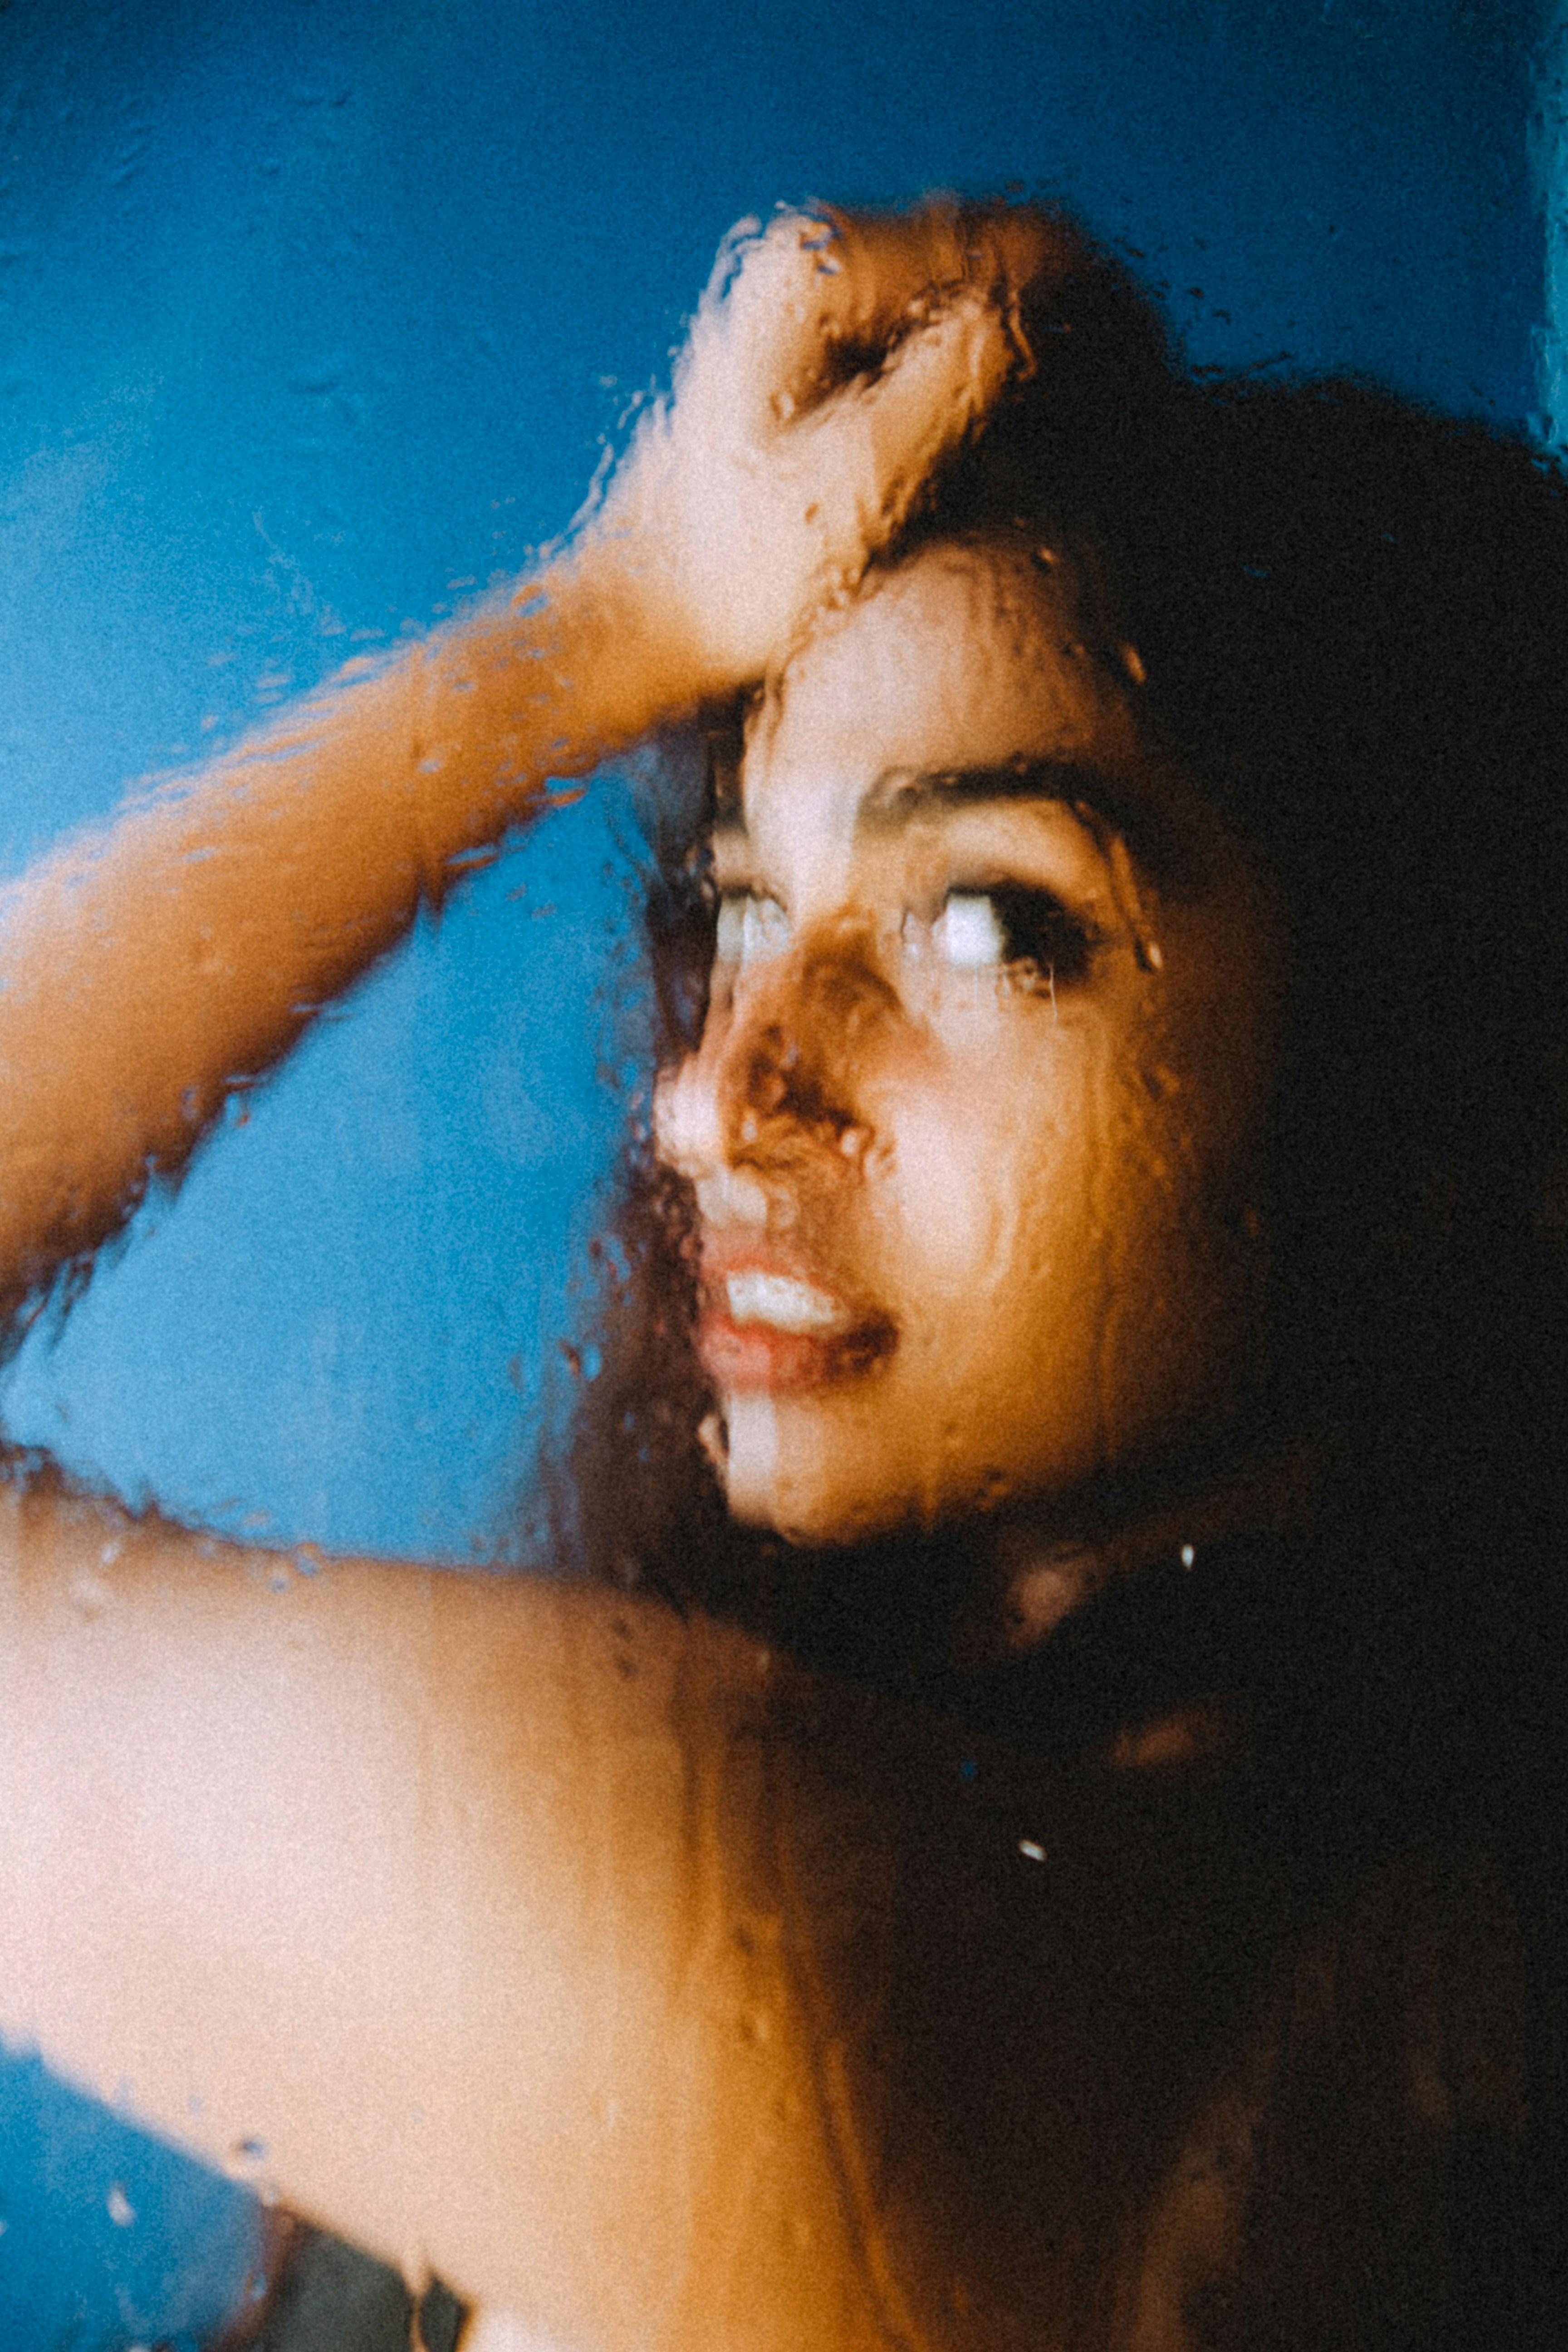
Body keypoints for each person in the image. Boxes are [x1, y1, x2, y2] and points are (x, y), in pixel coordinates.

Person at [0, 201, 1559, 2351]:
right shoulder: (1359, 1980)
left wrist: (610, 617)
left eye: (989, 922)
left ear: (1434, 1080)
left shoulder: (840, 1982)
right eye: (743, 912)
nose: (716, 1100)